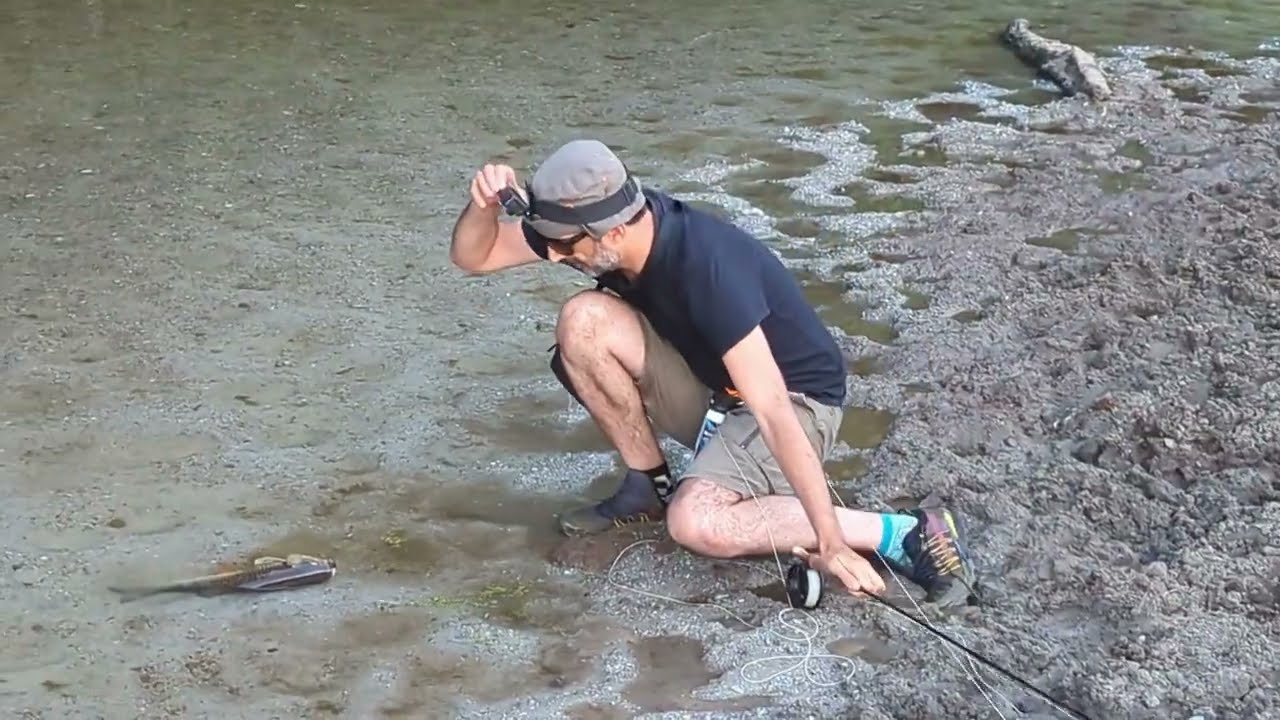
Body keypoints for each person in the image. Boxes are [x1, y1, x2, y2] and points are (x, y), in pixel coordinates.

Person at [448, 138, 978, 605]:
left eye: (566, 246)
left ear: (608, 233)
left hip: (796, 402)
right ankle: (647, 486)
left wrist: (830, 542)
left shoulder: (708, 267)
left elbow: (771, 407)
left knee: (696, 522)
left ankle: (903, 532)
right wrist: (483, 206)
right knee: (582, 321)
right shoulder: (597, 229)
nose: (557, 256)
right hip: (715, 390)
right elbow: (475, 257)